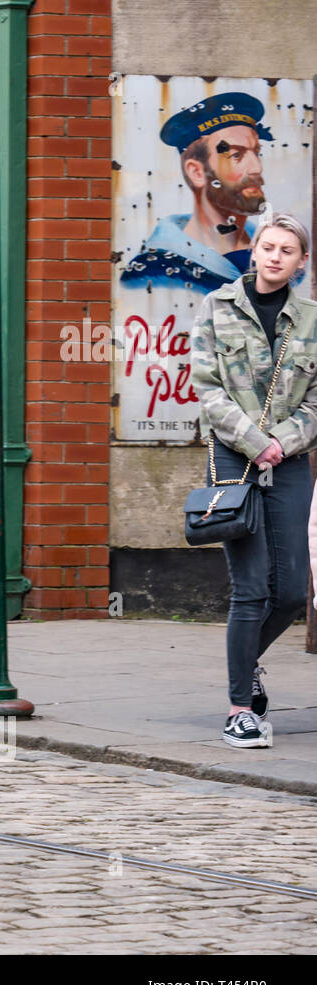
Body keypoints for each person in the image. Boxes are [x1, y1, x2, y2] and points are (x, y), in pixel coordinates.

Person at [190, 212, 317, 749]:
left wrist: (281, 444)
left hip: (288, 463)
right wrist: (253, 441)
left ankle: (248, 665)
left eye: (287, 250)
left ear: (300, 262)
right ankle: (239, 708)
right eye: (268, 246)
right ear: (254, 250)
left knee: (289, 592)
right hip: (233, 461)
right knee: (249, 589)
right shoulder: (215, 309)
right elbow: (207, 389)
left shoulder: (311, 319)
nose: (274, 257)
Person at [122, 93, 273, 294]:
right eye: (236, 155)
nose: (256, 167)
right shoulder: (153, 272)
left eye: (256, 152)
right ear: (197, 172)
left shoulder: (281, 255)